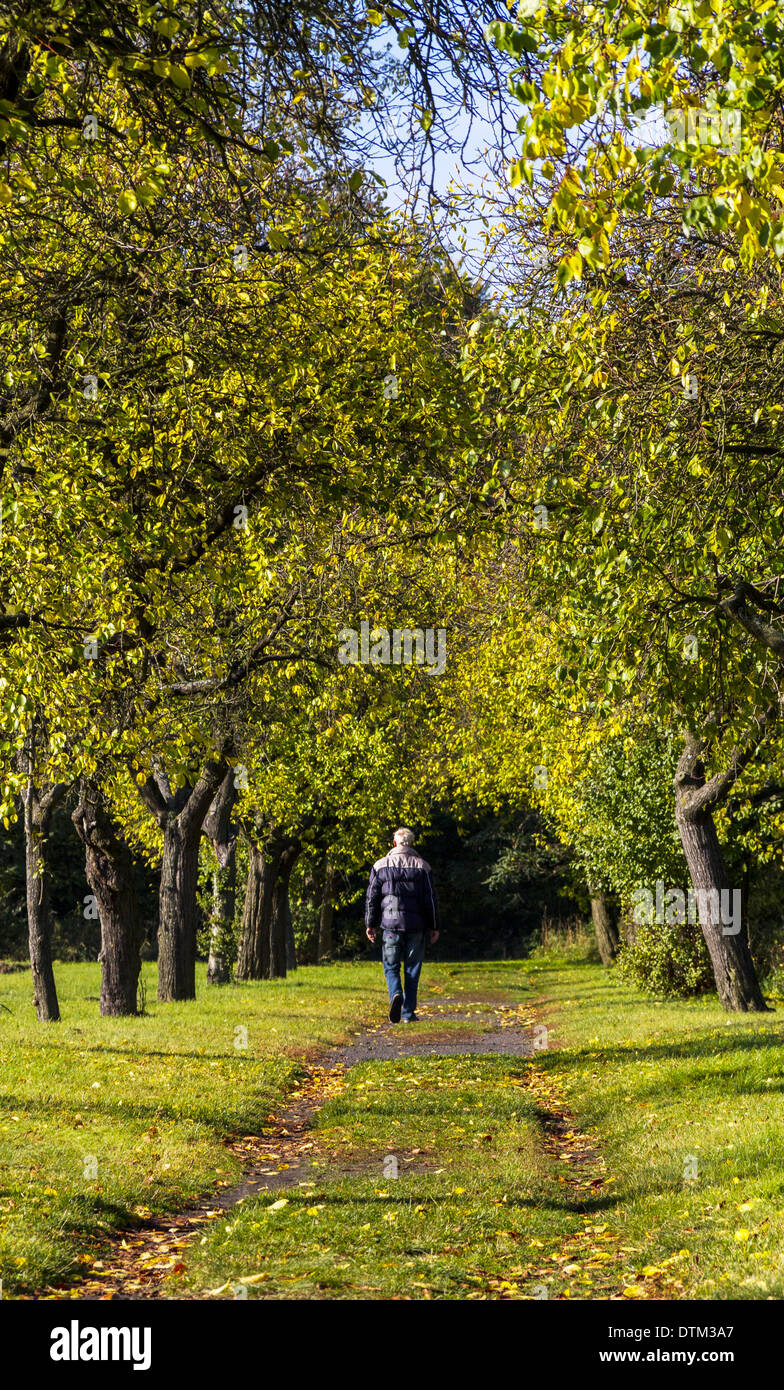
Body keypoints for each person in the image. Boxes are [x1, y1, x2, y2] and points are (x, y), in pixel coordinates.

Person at [365, 827, 439, 1023]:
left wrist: (370, 924)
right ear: (411, 844)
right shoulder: (422, 866)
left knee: (391, 966)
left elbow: (372, 898)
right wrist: (434, 926)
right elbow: (430, 899)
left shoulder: (380, 865)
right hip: (416, 927)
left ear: (394, 843)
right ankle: (408, 1013)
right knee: (412, 968)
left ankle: (396, 994)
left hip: (390, 925)